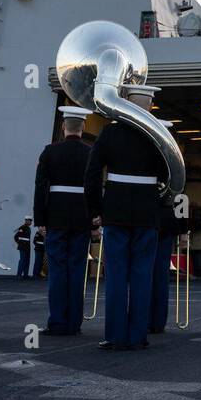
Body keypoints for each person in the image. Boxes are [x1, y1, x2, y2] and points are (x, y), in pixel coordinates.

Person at [85, 84, 168, 351]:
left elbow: (92, 172)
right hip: (147, 211)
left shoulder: (110, 132)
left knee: (117, 274)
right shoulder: (159, 135)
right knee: (143, 275)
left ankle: (115, 335)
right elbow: (172, 175)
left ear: (127, 104)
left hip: (116, 211)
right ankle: (138, 335)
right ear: (151, 107)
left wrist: (96, 210)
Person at [34, 107, 97, 336]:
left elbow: (41, 187)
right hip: (82, 216)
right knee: (78, 269)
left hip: (56, 216)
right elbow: (95, 187)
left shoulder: (50, 152)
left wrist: (40, 218)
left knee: (58, 270)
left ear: (63, 126)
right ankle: (74, 323)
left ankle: (58, 321)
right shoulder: (91, 152)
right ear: (83, 127)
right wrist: (95, 218)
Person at [150, 119, 189, 335]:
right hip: (167, 223)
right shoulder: (176, 162)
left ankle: (146, 318)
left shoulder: (148, 153)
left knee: (146, 273)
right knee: (161, 274)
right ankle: (158, 320)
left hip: (147, 220)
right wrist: (182, 230)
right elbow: (181, 197)